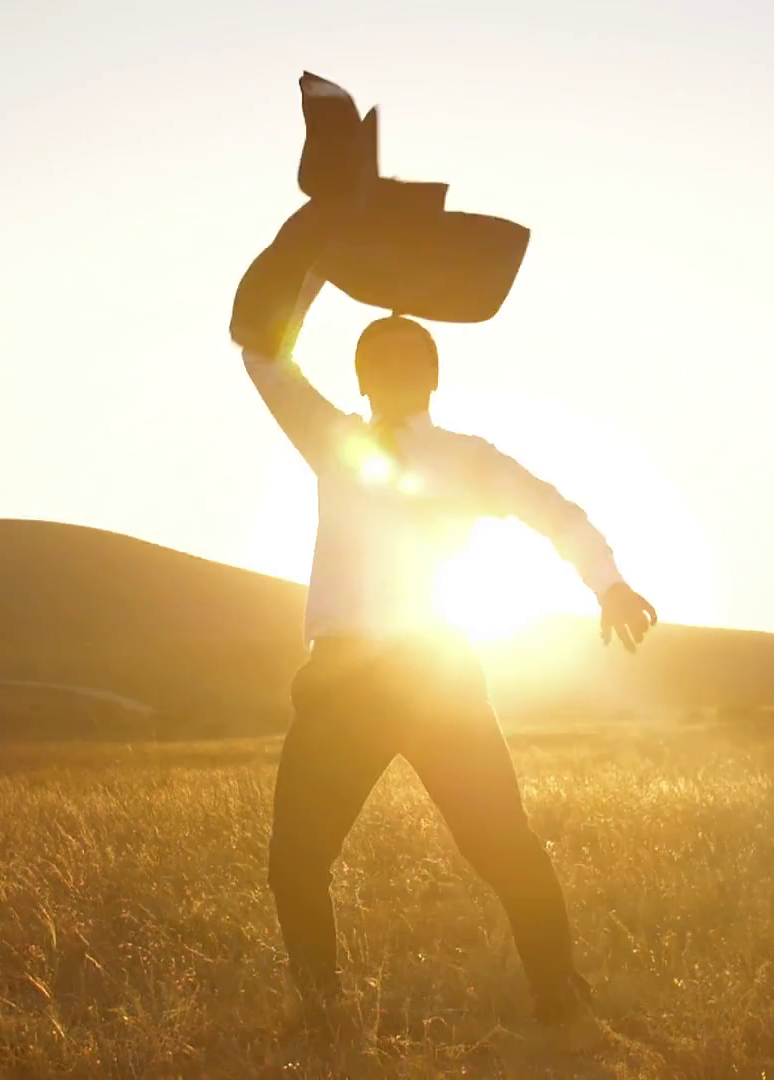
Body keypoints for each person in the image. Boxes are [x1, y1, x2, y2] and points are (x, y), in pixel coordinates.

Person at [232, 238, 658, 1036]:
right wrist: (320, 250)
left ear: (432, 377)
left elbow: (555, 513)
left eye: (408, 361)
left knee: (505, 848)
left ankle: (561, 1003)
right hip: (342, 683)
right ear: (361, 379)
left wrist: (609, 582)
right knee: (294, 863)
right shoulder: (334, 442)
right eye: (378, 362)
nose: (394, 374)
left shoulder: (470, 460)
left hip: (436, 674)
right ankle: (325, 1020)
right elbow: (263, 356)